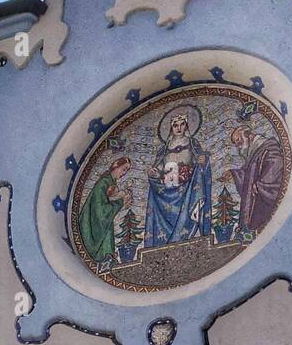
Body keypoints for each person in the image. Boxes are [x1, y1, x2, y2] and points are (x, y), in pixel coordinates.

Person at [144, 108, 212, 248]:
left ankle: (191, 237)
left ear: (186, 126)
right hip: (168, 187)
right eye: (175, 125)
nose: (179, 128)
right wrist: (155, 173)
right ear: (171, 128)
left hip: (188, 187)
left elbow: (200, 158)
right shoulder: (164, 148)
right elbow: (160, 168)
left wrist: (203, 159)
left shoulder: (192, 143)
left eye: (182, 124)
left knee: (188, 211)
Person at [229, 124, 285, 239]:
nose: (237, 146)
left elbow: (276, 163)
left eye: (238, 141)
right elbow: (249, 176)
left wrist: (261, 185)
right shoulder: (255, 152)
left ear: (249, 136)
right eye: (235, 143)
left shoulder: (268, 147)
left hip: (265, 197)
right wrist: (234, 174)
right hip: (258, 199)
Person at [78, 157, 132, 268]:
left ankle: (107, 260)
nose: (124, 173)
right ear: (116, 166)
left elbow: (107, 201)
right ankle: (105, 260)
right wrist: (121, 201)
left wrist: (120, 196)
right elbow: (102, 212)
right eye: (123, 169)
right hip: (92, 224)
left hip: (105, 224)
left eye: (126, 171)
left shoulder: (110, 182)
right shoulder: (103, 183)